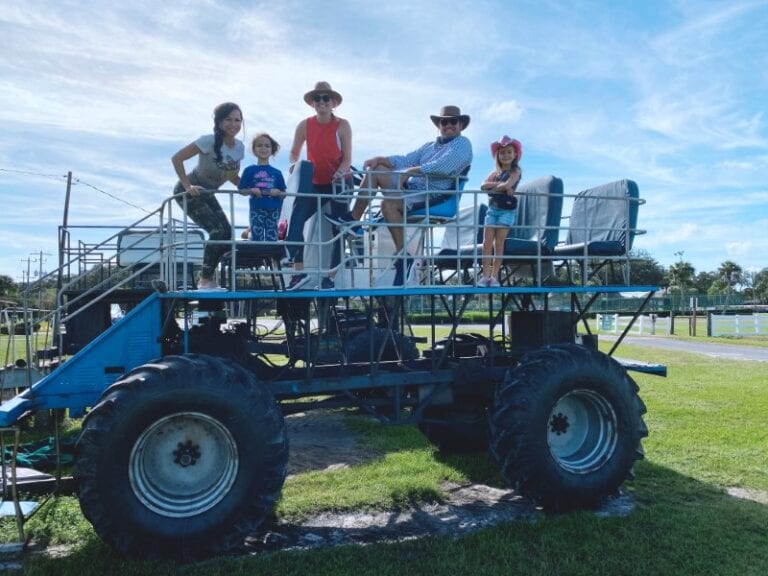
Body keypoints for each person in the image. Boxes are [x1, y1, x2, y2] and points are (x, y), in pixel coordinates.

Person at [329, 105, 472, 286]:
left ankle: (403, 256)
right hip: (412, 188)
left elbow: (444, 166)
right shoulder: (430, 146)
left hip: (433, 195)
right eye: (444, 121)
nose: (448, 125)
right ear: (439, 124)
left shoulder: (462, 144)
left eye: (453, 121)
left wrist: (413, 171)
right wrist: (380, 159)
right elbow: (405, 160)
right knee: (376, 171)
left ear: (460, 125)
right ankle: (353, 220)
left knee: (388, 205)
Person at [283, 81, 352, 291]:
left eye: (326, 98)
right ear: (313, 103)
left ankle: (330, 277)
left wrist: (339, 174)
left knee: (339, 228)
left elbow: (347, 158)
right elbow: (294, 153)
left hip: (338, 183)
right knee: (296, 220)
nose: (322, 102)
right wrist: (296, 166)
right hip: (313, 183)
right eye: (318, 98)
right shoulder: (304, 125)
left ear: (333, 103)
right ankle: (298, 272)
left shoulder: (342, 124)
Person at [171, 102, 244, 290]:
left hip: (208, 193)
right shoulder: (208, 141)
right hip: (189, 191)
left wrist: (250, 187)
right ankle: (204, 279)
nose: (233, 124)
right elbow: (177, 158)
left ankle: (210, 277)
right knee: (217, 232)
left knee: (227, 234)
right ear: (219, 122)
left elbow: (231, 175)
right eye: (228, 119)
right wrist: (187, 186)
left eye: (237, 120)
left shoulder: (239, 148)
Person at [478, 136, 522, 287]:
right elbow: (483, 185)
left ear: (515, 154)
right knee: (486, 243)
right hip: (492, 209)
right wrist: (500, 185)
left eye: (509, 152)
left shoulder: (515, 171)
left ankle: (495, 277)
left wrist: (499, 186)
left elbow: (509, 184)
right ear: (498, 155)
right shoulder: (495, 173)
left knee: (499, 244)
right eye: (502, 152)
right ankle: (485, 276)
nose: (506, 155)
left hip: (506, 211)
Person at [239, 133, 286, 243]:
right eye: (259, 145)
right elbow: (241, 190)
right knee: (257, 237)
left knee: (272, 237)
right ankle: (257, 259)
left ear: (272, 150)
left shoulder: (277, 173)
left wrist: (278, 192)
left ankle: (270, 260)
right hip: (256, 208)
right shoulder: (249, 170)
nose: (263, 148)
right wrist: (251, 190)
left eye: (267, 146)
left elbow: (284, 194)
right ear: (254, 149)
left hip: (274, 209)